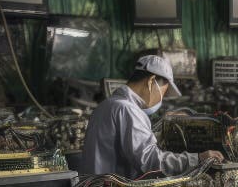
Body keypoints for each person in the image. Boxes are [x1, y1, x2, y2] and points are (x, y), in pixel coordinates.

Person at [81, 55, 223, 179]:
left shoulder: (107, 105)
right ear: (151, 81)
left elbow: (132, 143)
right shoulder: (127, 109)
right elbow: (150, 161)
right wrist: (198, 159)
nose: (160, 101)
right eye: (163, 94)